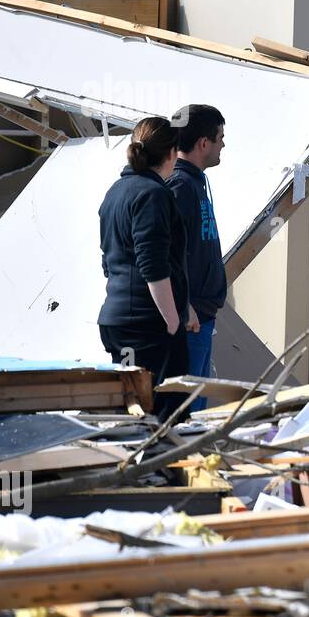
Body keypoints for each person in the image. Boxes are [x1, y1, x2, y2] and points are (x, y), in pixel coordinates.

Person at [97, 116, 190, 420]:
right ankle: (158, 467)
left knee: (129, 412)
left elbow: (108, 260)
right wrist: (172, 319)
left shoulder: (115, 191)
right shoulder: (153, 194)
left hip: (118, 319)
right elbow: (152, 263)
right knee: (163, 416)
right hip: (148, 327)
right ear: (172, 153)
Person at [167, 104, 227, 410]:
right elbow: (165, 253)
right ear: (204, 143)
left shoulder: (196, 183)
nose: (223, 145)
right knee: (186, 413)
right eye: (220, 138)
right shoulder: (180, 186)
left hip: (202, 318)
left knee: (197, 412)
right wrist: (184, 303)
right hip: (190, 322)